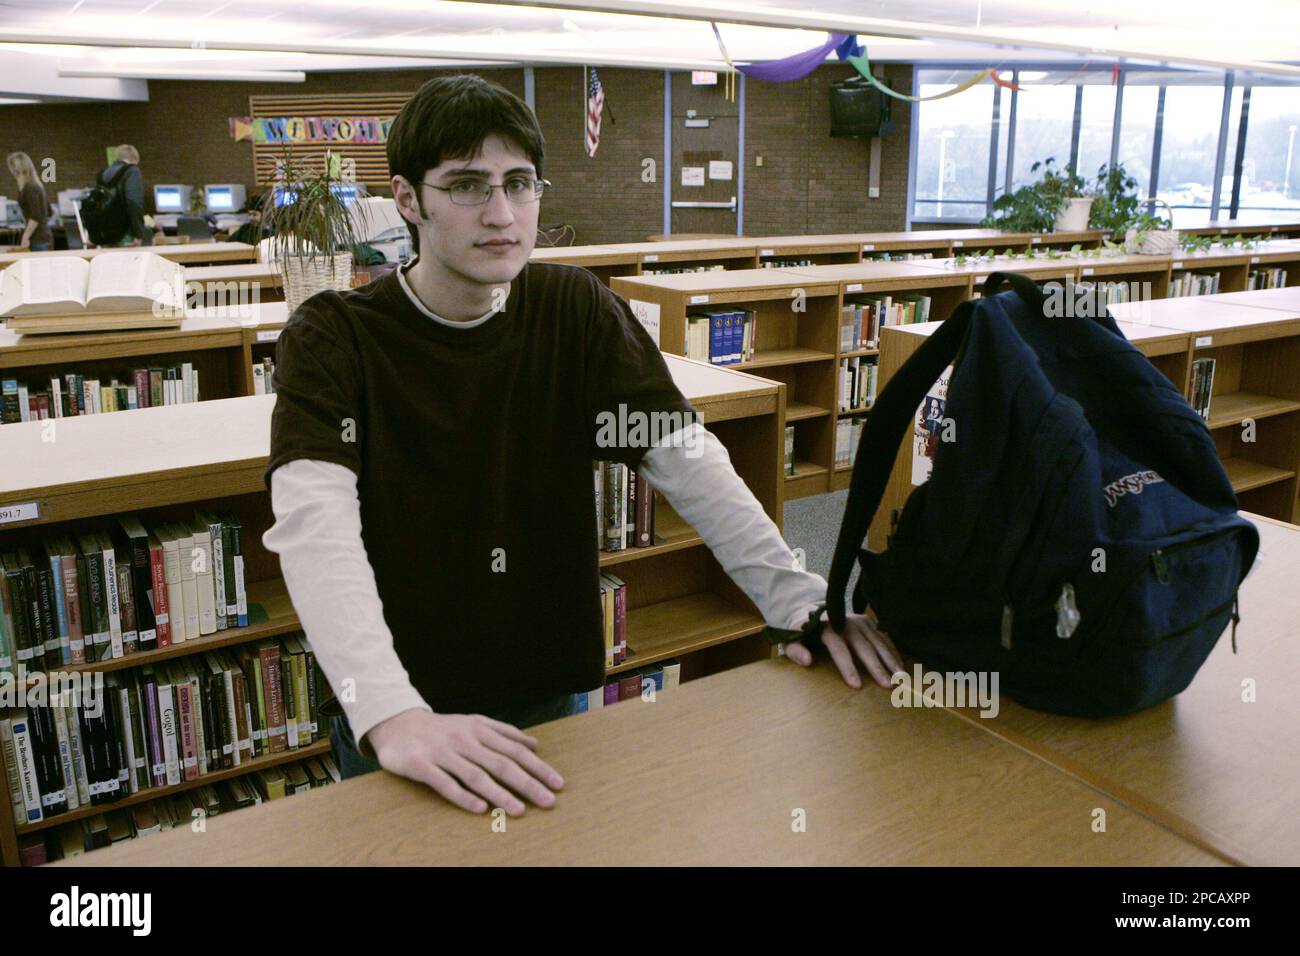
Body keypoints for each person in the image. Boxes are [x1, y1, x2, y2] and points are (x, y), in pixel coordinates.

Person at [262, 75, 903, 816]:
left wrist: (800, 605)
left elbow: (690, 462)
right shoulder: (333, 337)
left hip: (546, 688)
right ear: (408, 199)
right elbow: (317, 527)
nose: (502, 214)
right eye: (468, 185)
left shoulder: (575, 309)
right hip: (403, 715)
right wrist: (387, 712)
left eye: (520, 183)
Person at [96, 144, 151, 246]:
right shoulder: (131, 171)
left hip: (105, 233)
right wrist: (138, 234)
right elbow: (134, 202)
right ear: (134, 159)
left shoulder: (102, 174)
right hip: (125, 233)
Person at [6, 152, 53, 251]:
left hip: (37, 240)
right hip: (42, 237)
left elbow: (35, 216)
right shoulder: (37, 185)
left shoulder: (29, 187)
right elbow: (49, 212)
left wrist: (26, 236)